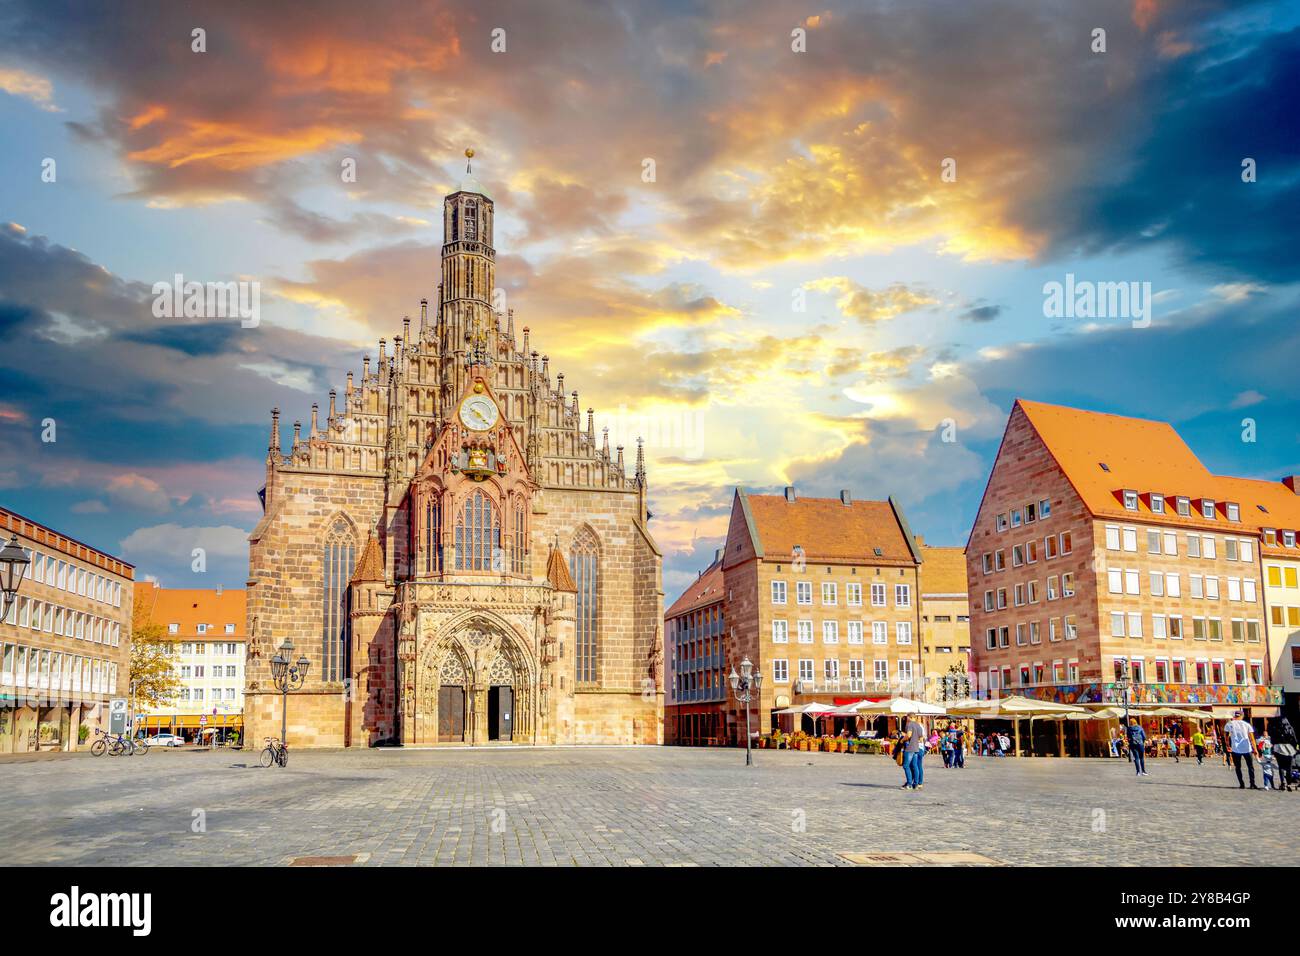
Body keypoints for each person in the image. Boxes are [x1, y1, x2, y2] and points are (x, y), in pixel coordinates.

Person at [1224, 711, 1259, 790]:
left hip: (1235, 749)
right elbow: (1252, 739)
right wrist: (1255, 749)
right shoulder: (1247, 725)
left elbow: (1226, 737)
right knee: (1250, 767)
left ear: (1235, 716)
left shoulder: (1229, 724)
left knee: (1238, 767)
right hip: (1247, 748)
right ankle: (1252, 784)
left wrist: (1228, 746)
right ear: (1242, 716)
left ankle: (1241, 784)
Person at [900, 713, 926, 790]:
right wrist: (915, 741)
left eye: (907, 717)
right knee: (915, 766)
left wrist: (902, 740)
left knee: (906, 766)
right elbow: (921, 739)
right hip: (916, 748)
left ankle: (909, 784)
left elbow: (908, 735)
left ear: (910, 717)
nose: (906, 718)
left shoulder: (910, 724)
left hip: (909, 748)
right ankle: (916, 784)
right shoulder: (919, 726)